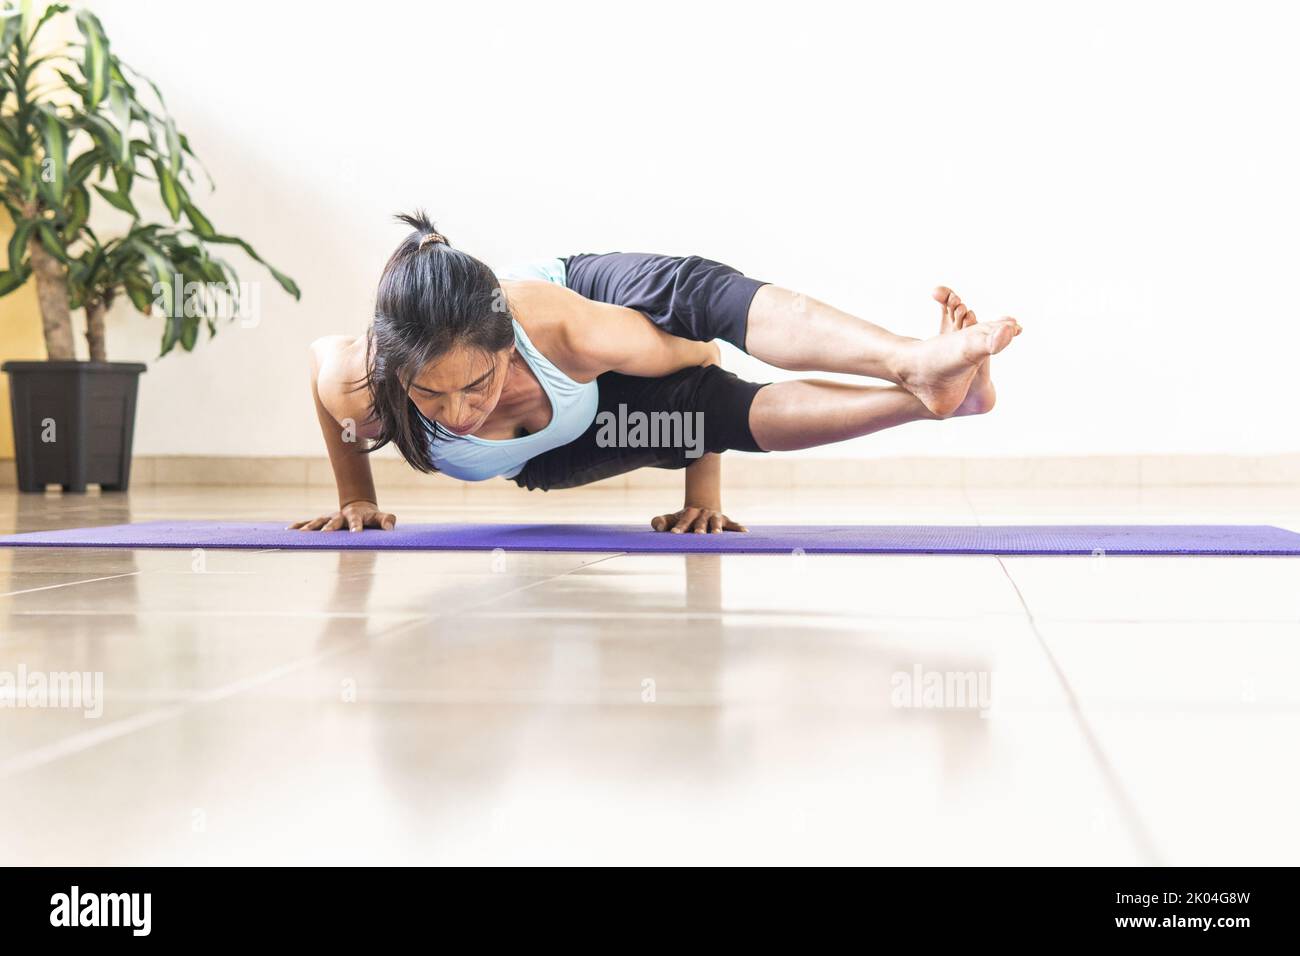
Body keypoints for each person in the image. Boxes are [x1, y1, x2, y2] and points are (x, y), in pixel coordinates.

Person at [291, 212, 1020, 534]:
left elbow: (701, 350)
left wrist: (702, 484)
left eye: (475, 385)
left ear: (508, 346)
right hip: (557, 446)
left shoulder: (570, 326)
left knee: (699, 312)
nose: (455, 414)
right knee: (698, 412)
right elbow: (325, 374)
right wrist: (355, 495)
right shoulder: (358, 378)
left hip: (599, 311)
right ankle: (932, 402)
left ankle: (911, 363)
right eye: (430, 394)